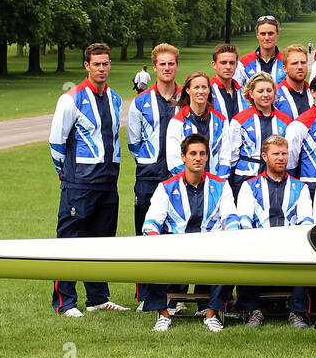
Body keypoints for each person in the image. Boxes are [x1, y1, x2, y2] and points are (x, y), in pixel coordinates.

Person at [49, 43, 128, 317]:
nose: (102, 68)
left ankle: (97, 298)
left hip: (108, 183)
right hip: (79, 184)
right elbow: (56, 143)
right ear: (87, 66)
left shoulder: (116, 99)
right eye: (97, 64)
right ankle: (65, 302)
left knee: (101, 242)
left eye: (106, 63)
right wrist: (68, 175)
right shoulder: (70, 99)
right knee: (70, 242)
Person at [141, 133, 242, 332]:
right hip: (175, 245)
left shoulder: (221, 186)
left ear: (207, 157)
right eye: (193, 153)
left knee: (233, 254)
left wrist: (231, 235)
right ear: (183, 157)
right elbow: (151, 221)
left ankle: (211, 313)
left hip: (210, 245)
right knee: (148, 251)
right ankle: (163, 314)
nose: (198, 158)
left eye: (202, 154)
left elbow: (230, 217)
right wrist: (154, 240)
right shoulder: (166, 187)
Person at [233, 135, 314, 328]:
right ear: (264, 156)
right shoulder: (249, 186)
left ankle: (297, 312)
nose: (281, 158)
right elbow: (244, 220)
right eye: (275, 154)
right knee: (243, 249)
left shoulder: (300, 187)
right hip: (258, 246)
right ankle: (254, 310)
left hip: (291, 247)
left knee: (307, 253)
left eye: (284, 154)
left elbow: (306, 220)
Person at [127, 43, 181, 235]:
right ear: (155, 67)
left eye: (171, 64)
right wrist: (148, 161)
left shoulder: (186, 98)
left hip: (179, 174)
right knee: (145, 231)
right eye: (162, 64)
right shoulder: (140, 101)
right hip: (148, 175)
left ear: (177, 66)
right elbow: (133, 142)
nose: (167, 68)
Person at [230, 74, 293, 195]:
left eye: (269, 90)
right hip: (246, 176)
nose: (265, 94)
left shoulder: (286, 120)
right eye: (260, 91)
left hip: (276, 177)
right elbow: (232, 154)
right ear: (251, 94)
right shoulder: (239, 120)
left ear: (274, 93)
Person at [165, 72, 235, 181]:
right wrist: (193, 182)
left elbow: (225, 156)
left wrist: (219, 182)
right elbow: (174, 160)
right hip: (187, 184)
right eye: (196, 87)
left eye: (204, 87)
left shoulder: (221, 121)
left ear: (209, 90)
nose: (201, 91)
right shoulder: (177, 122)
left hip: (215, 184)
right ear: (188, 90)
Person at [235, 15, 287, 87]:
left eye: (270, 33)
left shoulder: (286, 60)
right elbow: (235, 90)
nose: (266, 38)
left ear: (277, 34)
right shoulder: (245, 61)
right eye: (263, 34)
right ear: (257, 35)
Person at [210, 43, 247, 124]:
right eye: (223, 63)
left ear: (236, 65)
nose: (228, 67)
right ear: (214, 65)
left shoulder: (244, 93)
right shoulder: (207, 91)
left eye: (232, 63)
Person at [274, 44, 312, 120]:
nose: (300, 67)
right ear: (285, 69)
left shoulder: (314, 92)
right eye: (294, 63)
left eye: (303, 62)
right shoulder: (275, 95)